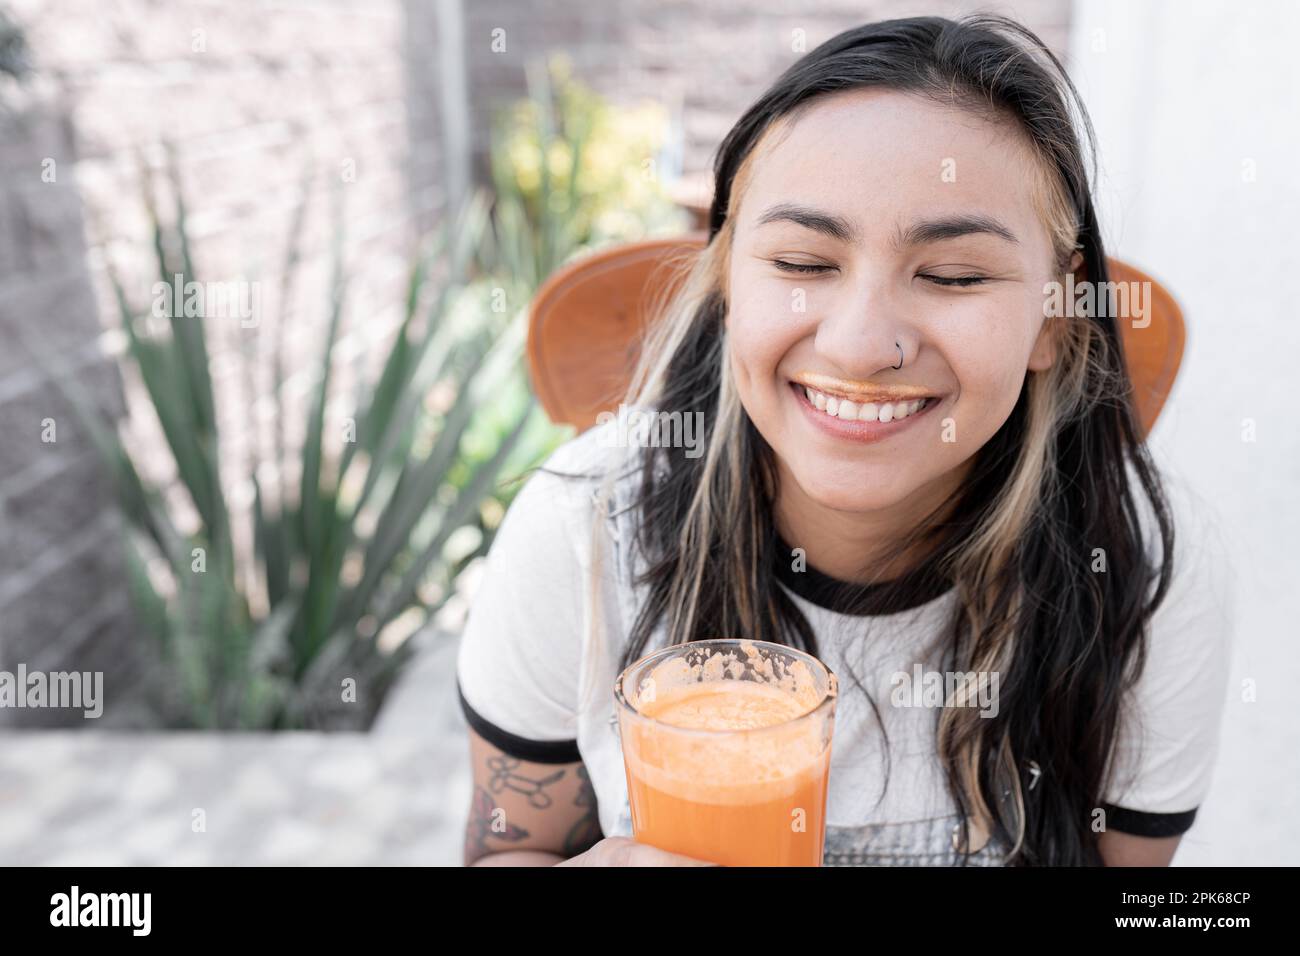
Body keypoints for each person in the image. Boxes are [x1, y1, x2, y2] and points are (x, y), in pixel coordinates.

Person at [457, 14, 1235, 867]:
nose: (862, 345)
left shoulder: (1146, 559)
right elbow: (508, 848)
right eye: (801, 264)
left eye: (953, 276)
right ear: (727, 280)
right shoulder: (583, 528)